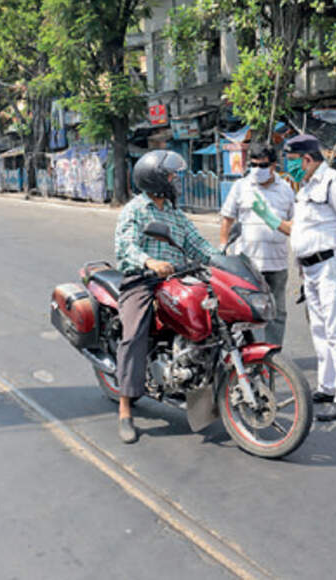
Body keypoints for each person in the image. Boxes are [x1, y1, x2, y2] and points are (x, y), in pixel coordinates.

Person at [249, 134, 336, 421]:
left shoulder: (334, 184)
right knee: (320, 331)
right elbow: (297, 230)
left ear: (308, 159)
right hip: (311, 269)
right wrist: (270, 218)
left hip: (331, 267)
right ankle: (328, 386)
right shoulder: (306, 187)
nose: (288, 168)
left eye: (292, 161)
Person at [113, 150, 218, 444]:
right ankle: (125, 408)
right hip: (143, 280)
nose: (176, 179)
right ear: (156, 179)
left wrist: (225, 260)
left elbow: (198, 244)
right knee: (134, 334)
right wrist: (149, 262)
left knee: (215, 315)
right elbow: (125, 246)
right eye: (171, 175)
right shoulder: (135, 210)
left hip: (178, 279)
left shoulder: (174, 212)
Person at [219, 142, 294, 345]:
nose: (257, 169)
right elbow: (227, 218)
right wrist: (223, 246)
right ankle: (250, 353)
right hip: (247, 264)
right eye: (253, 165)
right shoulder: (240, 187)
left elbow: (294, 226)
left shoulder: (286, 190)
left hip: (277, 263)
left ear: (274, 165)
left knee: (277, 312)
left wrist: (273, 220)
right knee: (247, 311)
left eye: (263, 165)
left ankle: (272, 353)